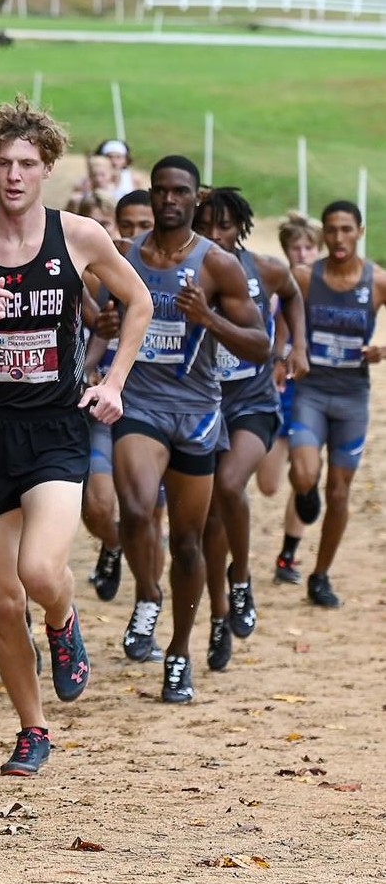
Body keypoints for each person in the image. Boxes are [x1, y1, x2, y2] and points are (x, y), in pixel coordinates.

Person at [0, 97, 151, 776]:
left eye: (26, 163)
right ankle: (32, 727)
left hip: (54, 427)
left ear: (47, 167)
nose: (14, 175)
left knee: (39, 571)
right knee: (0, 596)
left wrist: (113, 381)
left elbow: (138, 301)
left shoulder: (78, 235)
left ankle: (63, 616)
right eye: (2, 163)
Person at [98, 155, 268, 705]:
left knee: (190, 544)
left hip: (197, 413)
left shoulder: (218, 265)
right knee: (139, 508)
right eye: (162, 190)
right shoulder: (125, 255)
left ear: (196, 198)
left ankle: (178, 652)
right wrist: (101, 322)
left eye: (181, 191)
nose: (170, 199)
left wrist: (210, 320)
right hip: (141, 403)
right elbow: (95, 312)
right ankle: (147, 595)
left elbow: (260, 345)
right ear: (151, 195)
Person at [193, 188, 305, 669]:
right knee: (208, 521)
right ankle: (219, 616)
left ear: (241, 227)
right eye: (207, 225)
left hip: (253, 401)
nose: (216, 235)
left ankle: (241, 579)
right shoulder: (188, 272)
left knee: (231, 484)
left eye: (225, 225)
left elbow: (293, 295)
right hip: (201, 401)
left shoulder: (265, 268)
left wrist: (292, 346)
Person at [285, 200, 386, 608]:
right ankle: (306, 494)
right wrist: (294, 346)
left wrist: (382, 349)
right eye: (331, 230)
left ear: (360, 231)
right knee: (305, 475)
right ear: (322, 233)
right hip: (312, 389)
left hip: (352, 396)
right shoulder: (306, 278)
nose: (339, 238)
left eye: (347, 229)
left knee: (340, 494)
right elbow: (283, 318)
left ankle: (320, 575)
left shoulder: (376, 280)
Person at [82, 191, 155, 602]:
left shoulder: (186, 274)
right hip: (105, 406)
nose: (134, 235)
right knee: (96, 506)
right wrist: (96, 342)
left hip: (157, 409)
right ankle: (112, 544)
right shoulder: (105, 271)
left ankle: (148, 610)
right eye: (126, 226)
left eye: (143, 226)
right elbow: (94, 335)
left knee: (149, 516)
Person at [261, 212, 323, 581]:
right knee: (268, 485)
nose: (302, 254)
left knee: (306, 474)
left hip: (313, 392)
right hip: (280, 389)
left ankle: (287, 556)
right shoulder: (276, 286)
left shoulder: (330, 287)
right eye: (295, 247)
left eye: (309, 247)